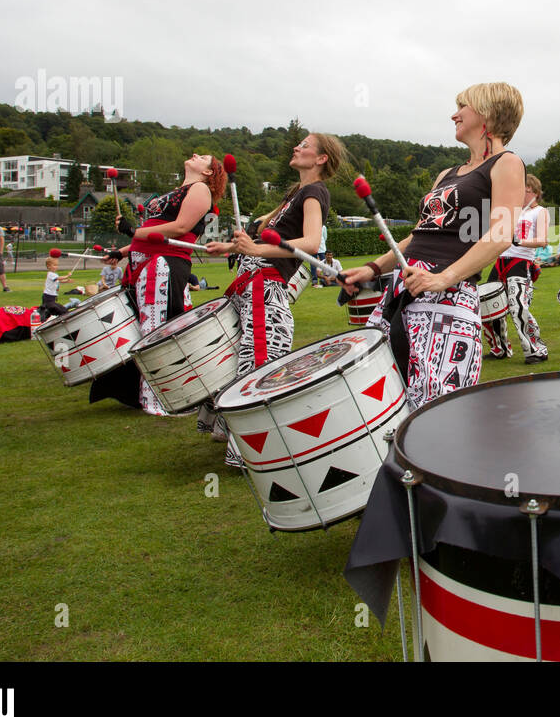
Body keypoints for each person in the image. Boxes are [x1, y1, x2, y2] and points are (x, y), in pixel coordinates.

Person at [343, 83, 525, 410]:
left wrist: (444, 278)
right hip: (406, 287)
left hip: (448, 297)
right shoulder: (446, 174)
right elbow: (419, 235)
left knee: (433, 406)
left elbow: (501, 234)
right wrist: (372, 269)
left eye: (462, 107)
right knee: (376, 393)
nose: (454, 114)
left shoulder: (506, 163)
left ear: (487, 114)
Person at [205, 133, 343, 460]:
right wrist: (232, 246)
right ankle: (244, 444)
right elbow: (274, 238)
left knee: (260, 356)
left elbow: (311, 243)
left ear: (321, 158)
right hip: (257, 280)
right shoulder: (297, 192)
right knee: (258, 359)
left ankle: (238, 437)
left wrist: (254, 248)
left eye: (305, 145)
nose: (297, 148)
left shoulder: (314, 191)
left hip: (261, 280)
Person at [105, 154, 225, 416]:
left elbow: (180, 228)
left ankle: (159, 400)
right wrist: (124, 251)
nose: (195, 155)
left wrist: (133, 232)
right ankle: (146, 394)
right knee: (144, 326)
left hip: (163, 264)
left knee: (156, 330)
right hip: (145, 261)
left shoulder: (200, 189)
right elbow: (154, 229)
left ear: (208, 172)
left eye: (203, 157)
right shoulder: (179, 191)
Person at [486, 172, 550, 364]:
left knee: (518, 307)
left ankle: (536, 350)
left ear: (532, 191)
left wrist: (519, 241)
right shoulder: (512, 212)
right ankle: (500, 348)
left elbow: (543, 240)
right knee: (488, 306)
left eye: (523, 189)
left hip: (521, 262)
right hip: (501, 261)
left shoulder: (540, 212)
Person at [39, 256, 72, 322]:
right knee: (48, 309)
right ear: (48, 266)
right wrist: (67, 276)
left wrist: (66, 280)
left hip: (52, 296)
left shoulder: (54, 275)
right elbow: (58, 278)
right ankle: (43, 319)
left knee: (51, 309)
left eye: (57, 265)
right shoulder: (50, 274)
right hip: (48, 296)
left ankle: (48, 318)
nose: (56, 267)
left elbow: (59, 280)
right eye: (54, 265)